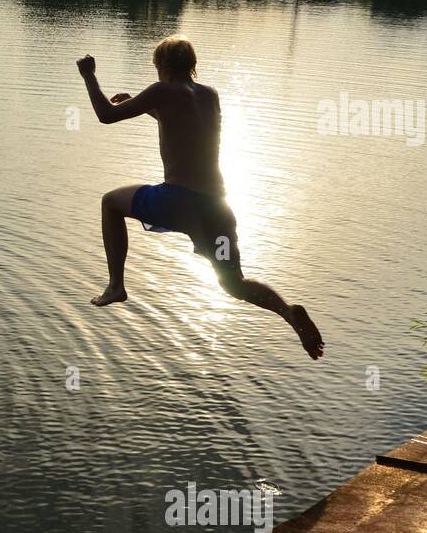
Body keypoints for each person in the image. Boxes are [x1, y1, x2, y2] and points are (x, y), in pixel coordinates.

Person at [76, 36, 324, 360]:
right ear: (191, 65)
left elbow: (106, 115)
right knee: (234, 284)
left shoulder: (161, 90)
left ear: (162, 67)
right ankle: (287, 311)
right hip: (217, 208)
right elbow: (187, 129)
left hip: (178, 201)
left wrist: (89, 76)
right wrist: (150, 108)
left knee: (111, 202)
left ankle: (116, 286)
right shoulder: (209, 96)